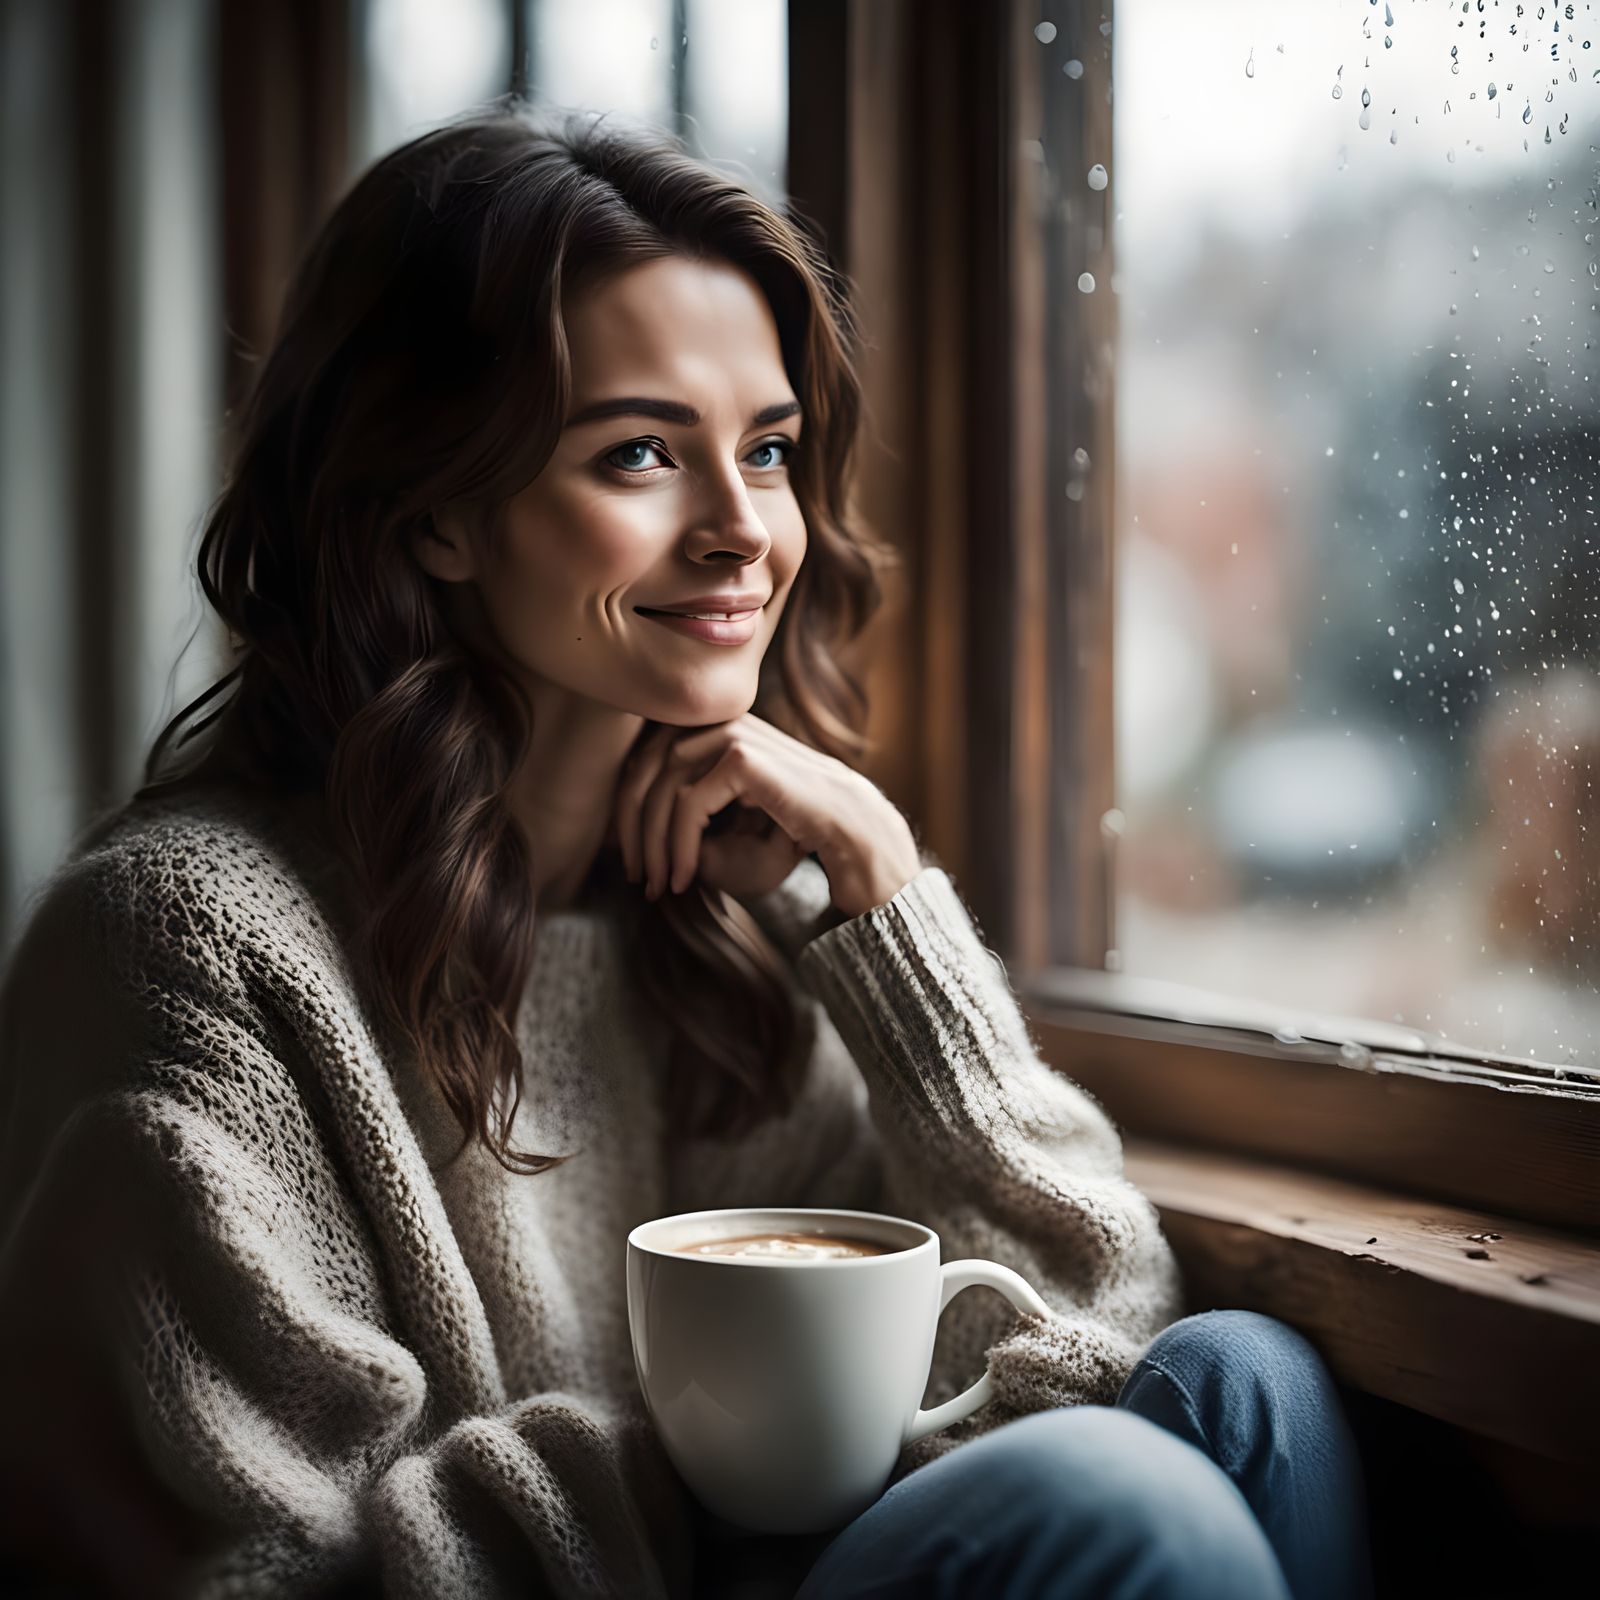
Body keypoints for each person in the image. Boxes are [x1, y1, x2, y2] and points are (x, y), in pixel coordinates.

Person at [0, 105, 1374, 1600]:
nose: (744, 531)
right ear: (438, 510)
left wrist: (886, 901)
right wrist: (743, 1460)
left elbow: (1086, 1329)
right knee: (1123, 1503)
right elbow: (259, 1560)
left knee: (1246, 1388)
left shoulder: (735, 913)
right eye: (643, 452)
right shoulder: (182, 944)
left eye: (770, 449)